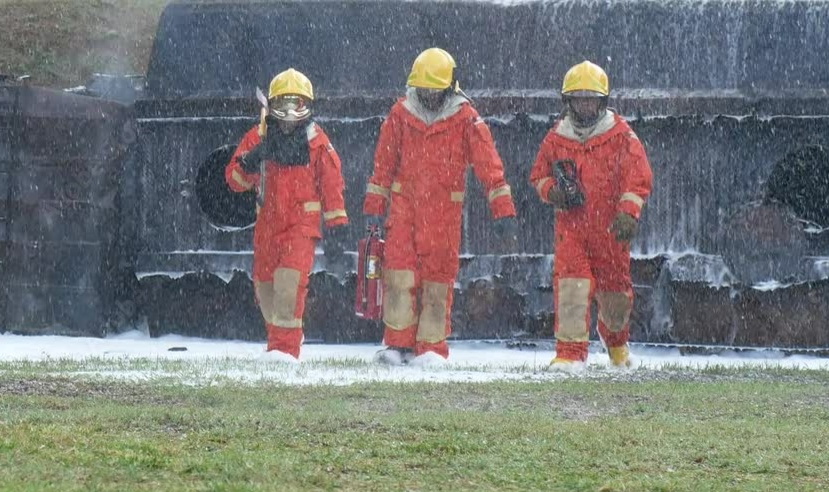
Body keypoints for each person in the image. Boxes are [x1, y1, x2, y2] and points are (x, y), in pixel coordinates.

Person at [363, 48, 519, 366]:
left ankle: (431, 348)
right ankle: (397, 345)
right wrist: (375, 203)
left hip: (444, 214)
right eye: (425, 89)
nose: (429, 95)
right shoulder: (400, 115)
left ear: (449, 87)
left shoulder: (466, 119)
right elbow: (383, 163)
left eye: (434, 89)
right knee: (399, 275)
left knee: (437, 281)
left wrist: (503, 209)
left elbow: (489, 165)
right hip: (404, 209)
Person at [528, 60, 653, 371]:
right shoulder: (556, 138)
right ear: (568, 101)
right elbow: (538, 176)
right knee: (571, 287)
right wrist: (552, 193)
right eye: (579, 98)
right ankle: (569, 354)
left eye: (591, 98)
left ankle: (616, 344)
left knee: (615, 295)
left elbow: (639, 177)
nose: (585, 104)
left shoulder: (621, 136)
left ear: (602, 101)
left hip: (611, 230)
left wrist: (629, 213)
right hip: (571, 229)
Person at [225, 68, 349, 361]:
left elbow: (332, 182)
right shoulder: (259, 137)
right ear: (272, 105)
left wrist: (337, 226)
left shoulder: (316, 141)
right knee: (265, 289)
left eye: (298, 103)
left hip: (300, 225)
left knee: (288, 286)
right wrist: (251, 160)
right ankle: (282, 337)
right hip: (267, 225)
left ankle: (284, 351)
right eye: (283, 103)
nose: (291, 111)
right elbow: (234, 182)